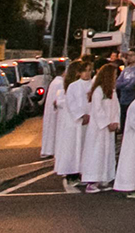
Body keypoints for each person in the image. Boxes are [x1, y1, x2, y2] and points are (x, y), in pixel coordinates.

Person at [80, 64, 121, 193]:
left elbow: (116, 108)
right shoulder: (98, 91)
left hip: (108, 129)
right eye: (114, 75)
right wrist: (107, 123)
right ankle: (92, 181)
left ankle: (104, 178)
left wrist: (115, 122)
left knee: (106, 153)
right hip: (99, 129)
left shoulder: (111, 91)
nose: (115, 77)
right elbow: (97, 110)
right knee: (96, 153)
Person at [55, 61, 90, 191]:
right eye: (85, 70)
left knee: (84, 148)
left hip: (88, 122)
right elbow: (71, 103)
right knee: (72, 148)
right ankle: (72, 174)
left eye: (89, 70)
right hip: (74, 122)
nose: (87, 73)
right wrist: (81, 115)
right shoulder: (73, 86)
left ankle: (83, 173)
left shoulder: (92, 85)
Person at [40, 62, 66, 159]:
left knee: (49, 130)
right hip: (55, 110)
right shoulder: (60, 83)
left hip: (50, 110)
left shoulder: (54, 82)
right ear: (63, 72)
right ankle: (51, 150)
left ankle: (47, 149)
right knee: (53, 131)